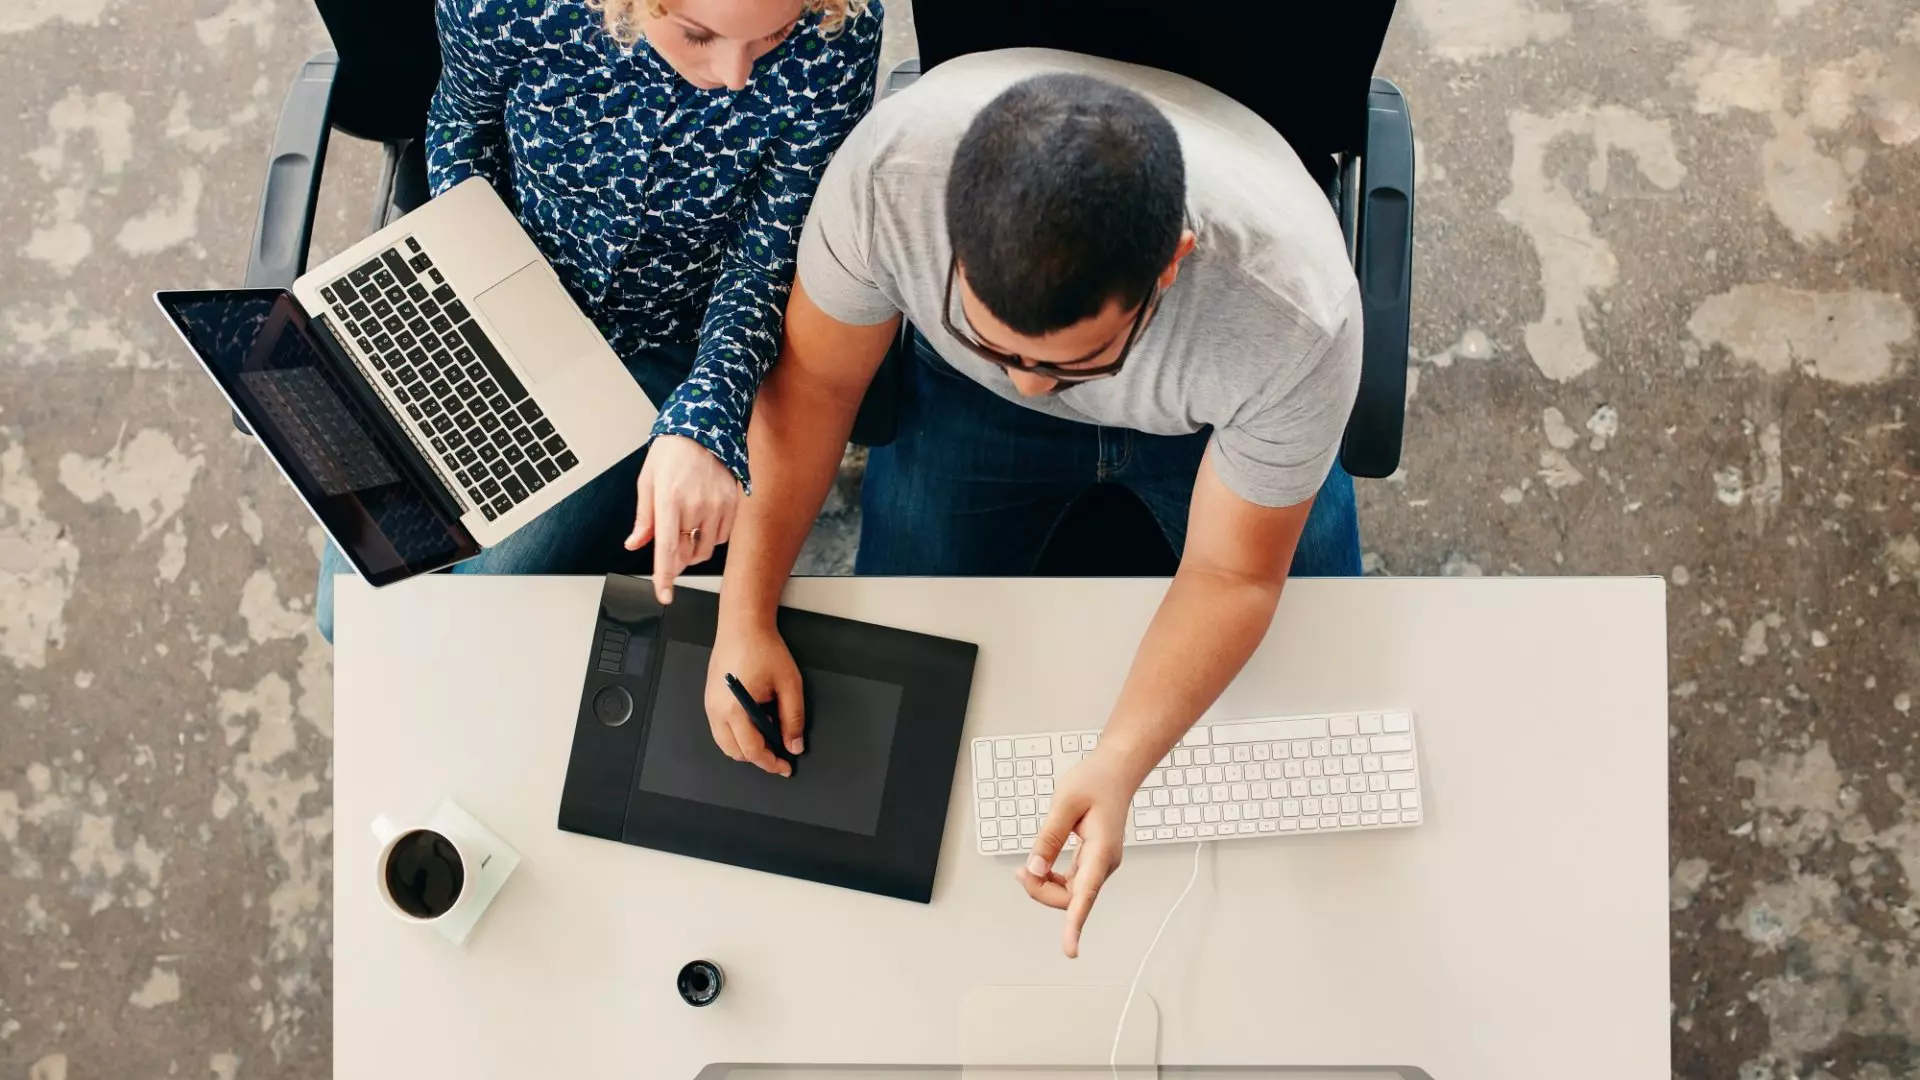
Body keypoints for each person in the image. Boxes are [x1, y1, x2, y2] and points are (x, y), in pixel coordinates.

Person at [702, 54, 1365, 955]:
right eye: (997, 340)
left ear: (1170, 263)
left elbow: (1233, 571)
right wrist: (742, 613)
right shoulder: (887, 181)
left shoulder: (1294, 317)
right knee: (898, 659)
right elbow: (815, 386)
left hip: (1213, 425)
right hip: (964, 407)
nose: (1031, 385)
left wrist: (1120, 760)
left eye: (1067, 362)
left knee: (1322, 683)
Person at [313, 0, 882, 641]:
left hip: (677, 338)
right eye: (698, 36)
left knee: (469, 614)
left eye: (772, 37)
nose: (735, 76)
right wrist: (478, 281)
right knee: (351, 616)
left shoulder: (838, 28)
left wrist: (706, 416)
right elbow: (461, 126)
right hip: (500, 286)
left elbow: (766, 256)